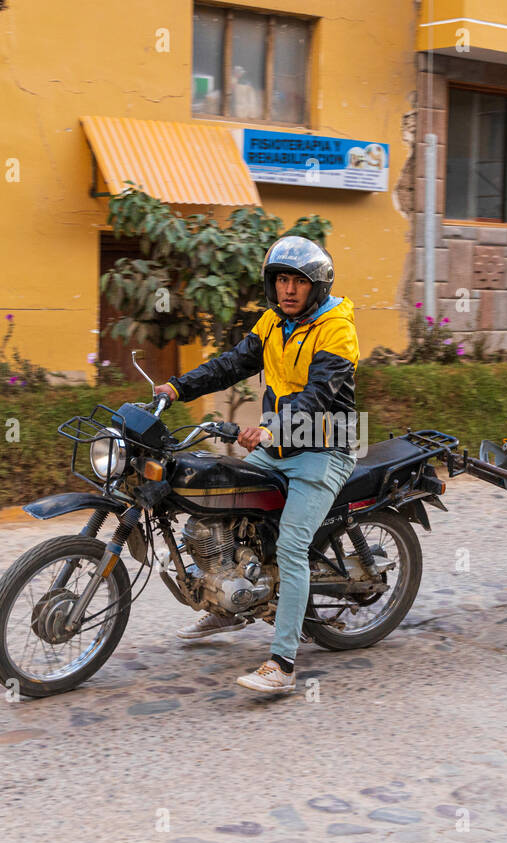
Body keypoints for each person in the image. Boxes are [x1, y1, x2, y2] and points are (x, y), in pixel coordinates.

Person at [153, 236, 359, 694]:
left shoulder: (337, 330)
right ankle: (229, 604)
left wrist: (270, 430)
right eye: (281, 280)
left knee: (291, 546)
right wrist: (175, 388)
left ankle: (282, 664)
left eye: (298, 282)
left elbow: (317, 396)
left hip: (325, 450)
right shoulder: (273, 323)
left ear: (317, 287)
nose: (288, 289)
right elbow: (229, 366)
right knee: (218, 510)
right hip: (280, 446)